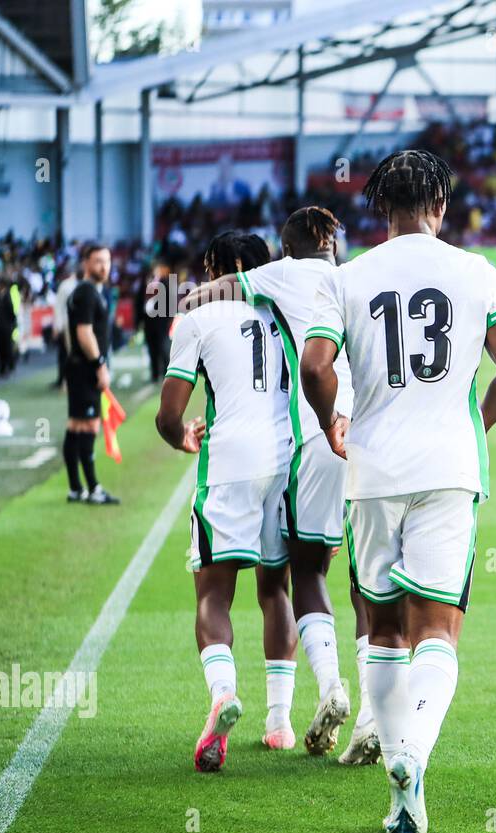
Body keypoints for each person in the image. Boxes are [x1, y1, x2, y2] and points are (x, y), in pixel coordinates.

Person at [300, 149, 496, 833]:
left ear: (381, 208)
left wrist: (332, 420)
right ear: (440, 206)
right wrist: (478, 422)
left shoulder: (347, 278)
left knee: (386, 631)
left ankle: (400, 765)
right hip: (448, 467)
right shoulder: (477, 272)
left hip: (371, 468)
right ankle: (414, 754)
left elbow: (314, 365)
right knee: (440, 630)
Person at [179, 206, 375, 762]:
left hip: (313, 431)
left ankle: (330, 686)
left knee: (300, 573)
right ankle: (368, 714)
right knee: (366, 580)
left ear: (287, 248)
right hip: (367, 434)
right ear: (332, 244)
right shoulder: (353, 276)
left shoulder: (277, 275)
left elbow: (198, 298)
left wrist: (197, 300)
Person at [156, 231, 300, 771]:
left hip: (229, 463)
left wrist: (181, 438)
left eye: (212, 266)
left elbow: (170, 416)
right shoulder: (288, 311)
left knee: (213, 594)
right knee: (275, 590)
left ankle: (223, 693)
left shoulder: (197, 316)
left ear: (232, 266)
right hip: (286, 458)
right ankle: (280, 722)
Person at [63, 244, 120, 505]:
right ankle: (93, 489)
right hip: (85, 369)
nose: (104, 266)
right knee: (87, 426)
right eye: (98, 261)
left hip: (78, 368)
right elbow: (84, 333)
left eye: (107, 261)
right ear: (86, 263)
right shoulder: (86, 292)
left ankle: (76, 489)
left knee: (75, 426)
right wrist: (100, 365)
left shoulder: (90, 292)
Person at [142, 256, 177, 383]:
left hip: (162, 321)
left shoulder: (168, 282)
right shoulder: (147, 281)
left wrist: (169, 319)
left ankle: (166, 373)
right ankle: (154, 374)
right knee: (151, 347)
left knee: (163, 346)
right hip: (149, 321)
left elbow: (172, 303)